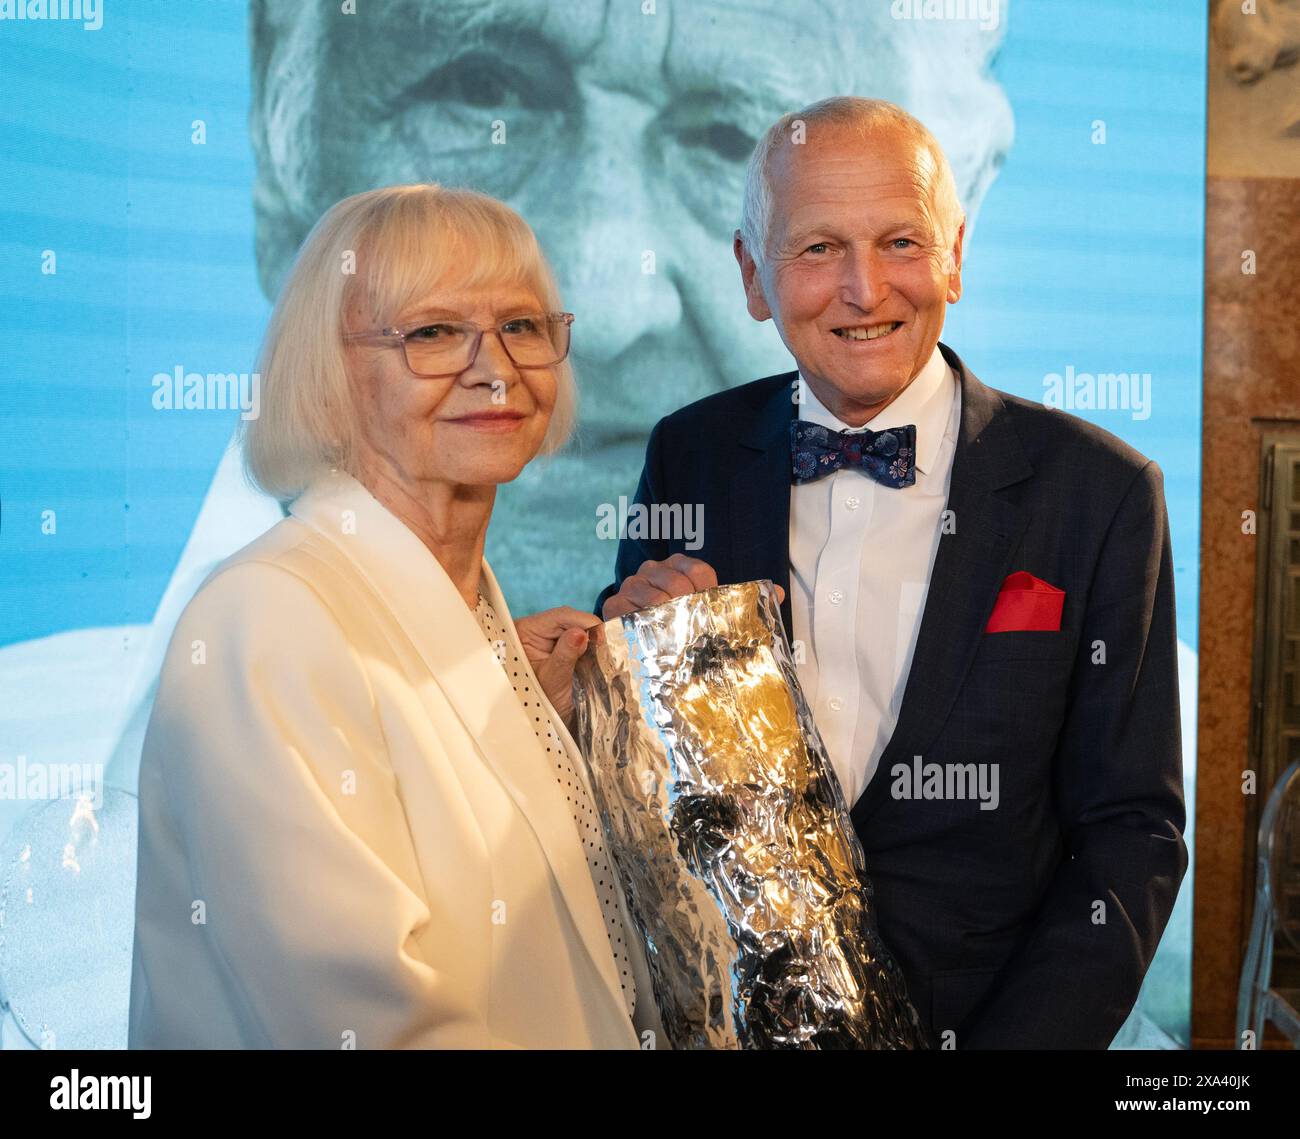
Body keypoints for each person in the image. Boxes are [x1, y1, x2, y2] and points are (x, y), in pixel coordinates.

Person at [598, 96, 1188, 1049]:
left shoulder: (1101, 492)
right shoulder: (690, 454)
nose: (865, 289)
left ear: (955, 252)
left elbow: (1132, 835)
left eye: (901, 242)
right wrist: (620, 660)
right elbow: (642, 787)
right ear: (754, 276)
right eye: (818, 248)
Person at [129, 184, 660, 1049]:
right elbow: (373, 1027)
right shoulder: (265, 617)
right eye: (433, 333)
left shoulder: (484, 629)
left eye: (522, 327)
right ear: (329, 371)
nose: (495, 369)